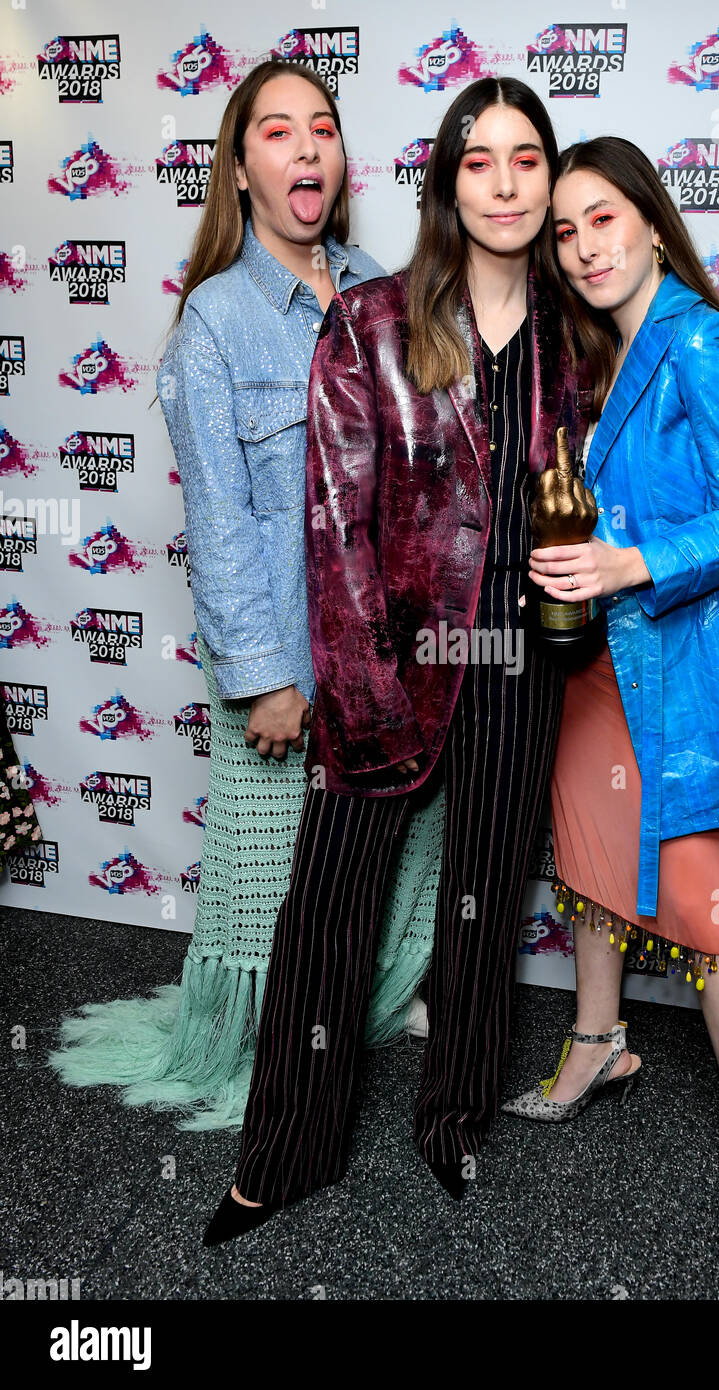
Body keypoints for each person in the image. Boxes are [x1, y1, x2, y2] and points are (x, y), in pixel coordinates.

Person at [203, 75, 590, 1245]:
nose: (508, 181)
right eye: (483, 160)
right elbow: (334, 522)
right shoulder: (372, 322)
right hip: (397, 662)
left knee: (482, 902)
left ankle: (455, 1115)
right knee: (326, 909)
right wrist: (363, 689)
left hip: (522, 662)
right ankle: (283, 1151)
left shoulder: (579, 330)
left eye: (528, 159)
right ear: (447, 180)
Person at [47, 59, 442, 1132]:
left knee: (397, 848)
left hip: (393, 659)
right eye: (276, 131)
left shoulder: (387, 294)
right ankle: (271, 1051)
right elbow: (218, 521)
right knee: (271, 876)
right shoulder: (215, 323)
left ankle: (362, 1000)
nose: (306, 146)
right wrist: (265, 677)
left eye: (321, 127)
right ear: (240, 168)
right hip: (290, 663)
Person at [502, 136, 719, 1281]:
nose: (579, 247)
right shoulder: (597, 353)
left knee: (707, 913)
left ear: (653, 225)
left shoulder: (704, 342)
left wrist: (628, 566)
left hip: (668, 676)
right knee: (584, 865)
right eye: (563, 232)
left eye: (600, 219)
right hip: (590, 675)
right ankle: (596, 1042)